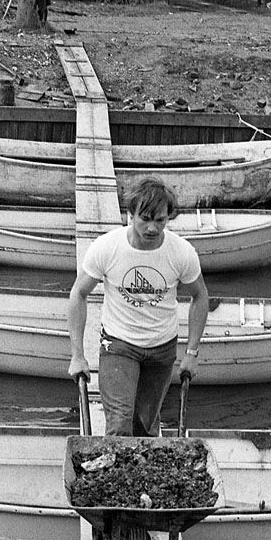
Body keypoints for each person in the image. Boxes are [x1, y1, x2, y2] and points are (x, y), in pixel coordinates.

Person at [67, 177, 209, 436]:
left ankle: (145, 473)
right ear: (129, 214)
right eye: (145, 218)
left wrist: (192, 352)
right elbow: (78, 293)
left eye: (160, 220)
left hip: (161, 348)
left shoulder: (182, 252)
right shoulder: (107, 247)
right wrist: (77, 355)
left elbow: (200, 297)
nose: (152, 228)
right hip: (119, 344)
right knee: (120, 424)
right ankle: (115, 475)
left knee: (144, 425)